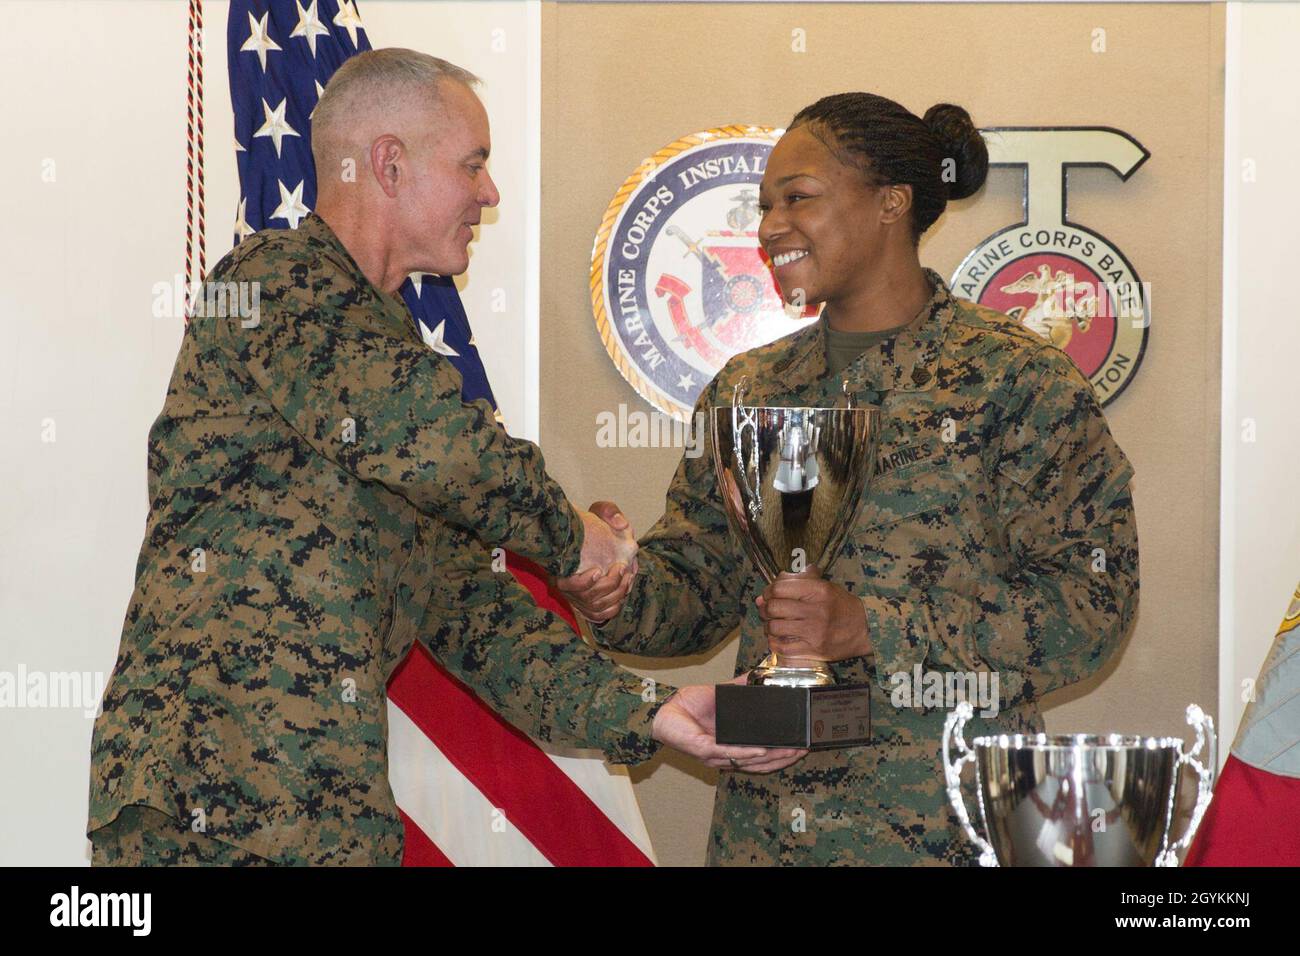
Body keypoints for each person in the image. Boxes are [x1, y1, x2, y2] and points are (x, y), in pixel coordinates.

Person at [87, 49, 801, 867]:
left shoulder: (387, 351)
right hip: (207, 801)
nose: (489, 193)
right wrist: (579, 541)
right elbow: (444, 449)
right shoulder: (277, 283)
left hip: (323, 806)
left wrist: (652, 712)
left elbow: (474, 612)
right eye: (474, 164)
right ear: (388, 164)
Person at [560, 92, 1140, 866]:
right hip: (771, 829)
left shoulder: (1016, 382)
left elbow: (1093, 602)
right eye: (764, 205)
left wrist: (876, 626)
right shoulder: (747, 386)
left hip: (951, 830)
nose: (770, 226)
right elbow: (697, 590)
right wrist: (619, 587)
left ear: (890, 204)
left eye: (798, 197)